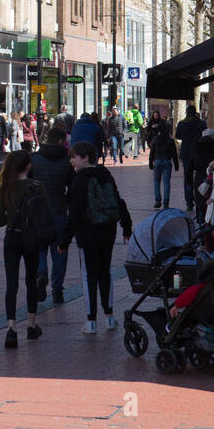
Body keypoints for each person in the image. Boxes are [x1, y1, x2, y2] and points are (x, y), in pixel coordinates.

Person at [59, 141, 132, 334]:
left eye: (74, 157)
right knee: (105, 273)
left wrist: (64, 242)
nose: (71, 161)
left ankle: (91, 321)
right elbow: (119, 201)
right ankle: (109, 317)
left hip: (87, 235)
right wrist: (126, 227)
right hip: (108, 232)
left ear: (85, 158)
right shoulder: (106, 175)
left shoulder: (80, 180)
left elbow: (74, 215)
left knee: (88, 276)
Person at [0, 150, 51, 347]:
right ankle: (31, 325)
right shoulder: (37, 186)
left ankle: (11, 329)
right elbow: (44, 214)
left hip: (12, 238)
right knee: (31, 281)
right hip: (31, 238)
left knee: (11, 284)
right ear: (28, 166)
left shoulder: (5, 188)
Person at [31, 122, 72, 303]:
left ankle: (41, 275)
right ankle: (57, 289)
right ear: (62, 141)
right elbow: (72, 187)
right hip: (59, 210)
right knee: (60, 251)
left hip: (39, 211)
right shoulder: (67, 161)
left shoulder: (35, 159)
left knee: (40, 248)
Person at [176, 104, 205, 210]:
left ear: (187, 112)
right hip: (198, 151)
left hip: (186, 152)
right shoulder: (201, 123)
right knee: (200, 175)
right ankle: (199, 198)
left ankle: (189, 202)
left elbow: (178, 136)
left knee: (187, 176)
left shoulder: (182, 123)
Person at [192, 127, 214, 225]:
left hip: (199, 180)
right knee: (209, 205)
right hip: (212, 181)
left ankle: (201, 226)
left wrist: (189, 182)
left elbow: (189, 168)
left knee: (200, 205)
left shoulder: (196, 150)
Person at [148, 120, 179, 209]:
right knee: (166, 183)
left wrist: (150, 162)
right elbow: (174, 153)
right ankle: (166, 202)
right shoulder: (170, 140)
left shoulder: (156, 139)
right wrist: (176, 165)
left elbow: (152, 152)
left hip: (157, 161)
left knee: (156, 182)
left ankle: (158, 200)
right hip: (167, 161)